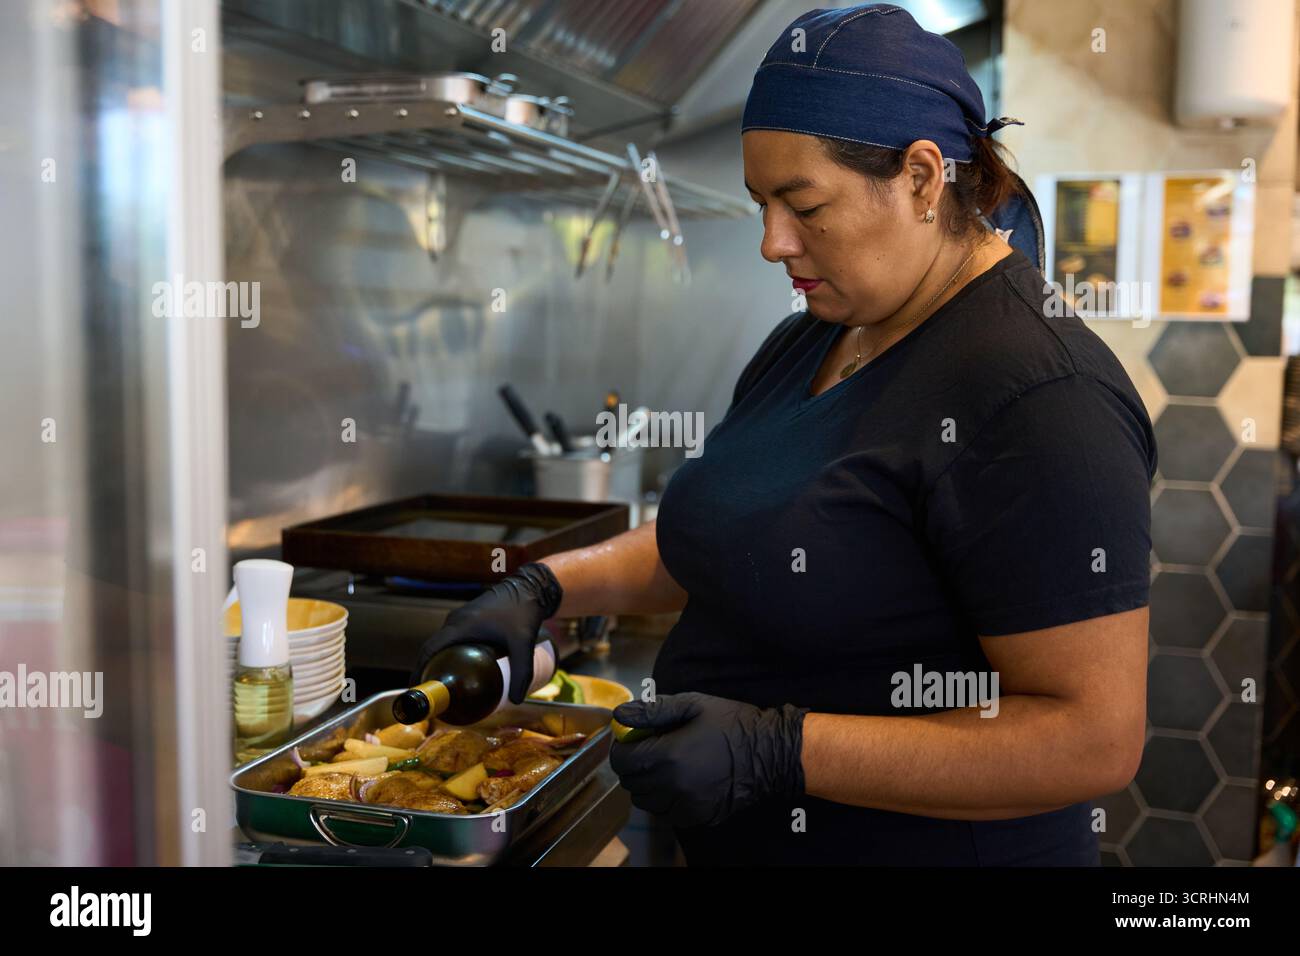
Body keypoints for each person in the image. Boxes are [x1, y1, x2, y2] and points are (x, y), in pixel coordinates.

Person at [413, 3, 1156, 865]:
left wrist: (783, 750)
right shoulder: (819, 329)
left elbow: (1092, 738)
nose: (772, 242)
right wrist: (541, 589)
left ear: (922, 178)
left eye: (802, 203)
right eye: (761, 202)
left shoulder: (1038, 392)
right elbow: (735, 533)